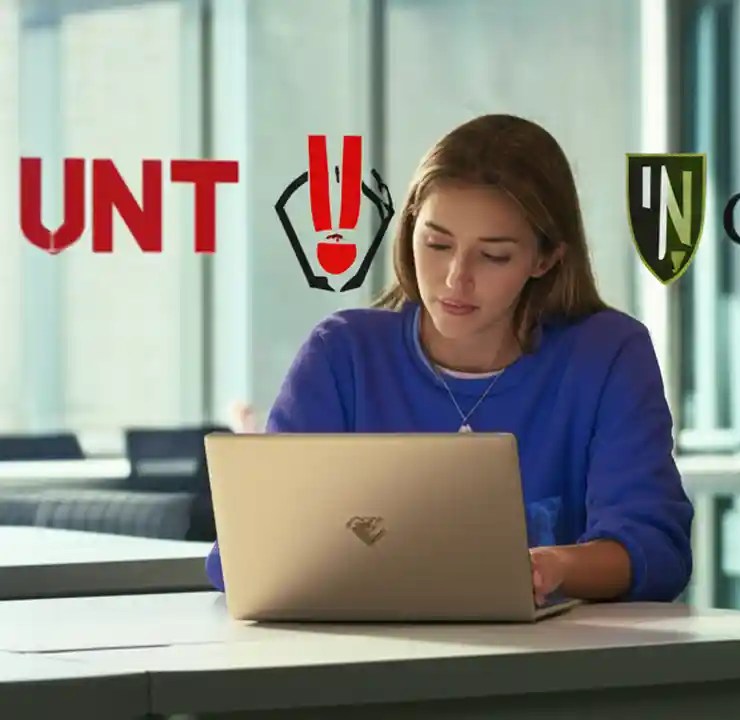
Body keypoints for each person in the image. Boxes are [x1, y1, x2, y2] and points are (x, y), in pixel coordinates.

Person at [204, 113, 693, 605]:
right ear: (410, 227)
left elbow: (656, 550)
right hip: (359, 660)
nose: (456, 278)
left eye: (494, 255)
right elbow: (242, 556)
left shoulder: (606, 355)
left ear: (544, 259)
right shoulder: (343, 356)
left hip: (548, 667)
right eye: (437, 244)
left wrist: (551, 567)